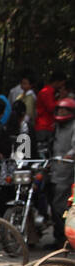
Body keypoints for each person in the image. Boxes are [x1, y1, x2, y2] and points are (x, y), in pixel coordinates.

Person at [49, 97, 74, 235]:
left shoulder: (74, 126)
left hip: (67, 170)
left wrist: (68, 156)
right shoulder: (56, 127)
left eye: (64, 110)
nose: (61, 112)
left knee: (60, 204)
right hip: (54, 169)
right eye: (60, 109)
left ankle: (64, 236)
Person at [35, 71, 67, 157]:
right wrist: (61, 98)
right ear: (57, 82)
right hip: (44, 126)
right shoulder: (46, 92)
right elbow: (51, 108)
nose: (62, 87)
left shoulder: (51, 92)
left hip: (49, 126)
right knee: (43, 152)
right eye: (61, 84)